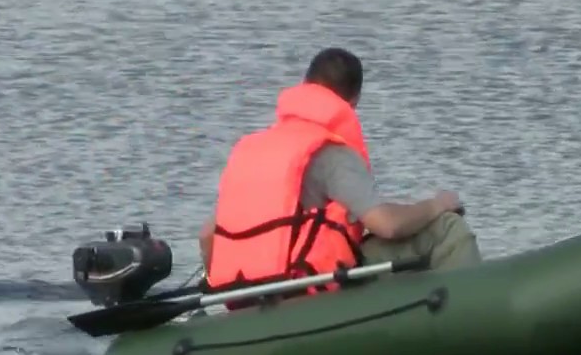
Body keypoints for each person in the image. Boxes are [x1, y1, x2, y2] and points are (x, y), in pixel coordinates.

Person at [199, 47, 481, 298]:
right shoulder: (330, 152)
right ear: (354, 101)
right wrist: (437, 205)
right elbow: (387, 224)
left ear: (304, 85)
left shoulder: (255, 149)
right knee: (446, 227)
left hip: (250, 293)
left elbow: (208, 235)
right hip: (306, 291)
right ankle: (471, 314)